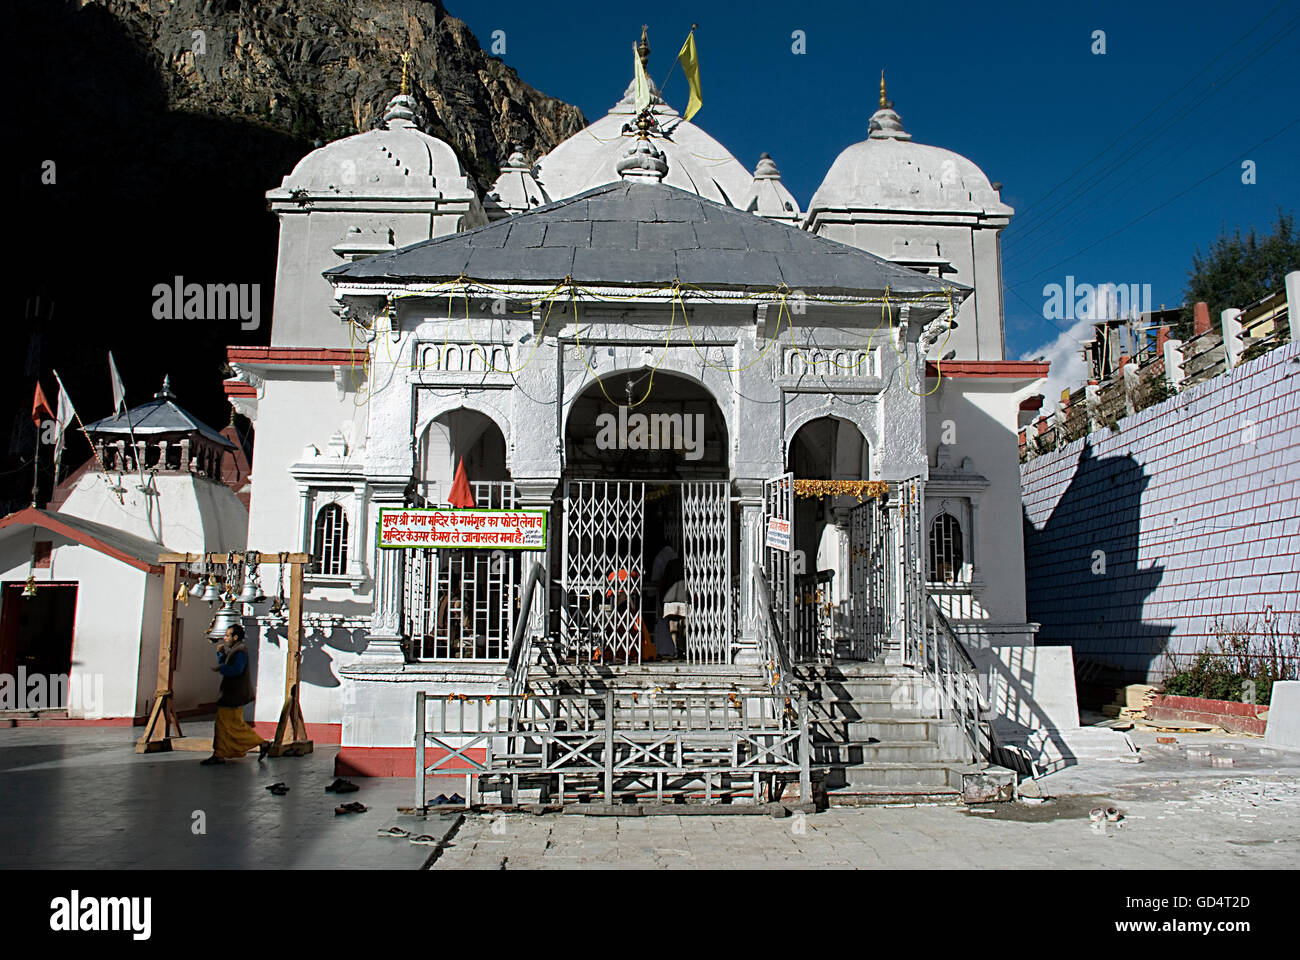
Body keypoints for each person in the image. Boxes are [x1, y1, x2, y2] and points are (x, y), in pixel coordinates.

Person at [200, 624, 270, 765]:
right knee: (227, 726)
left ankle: (262, 743)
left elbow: (236, 670)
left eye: (227, 636)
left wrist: (221, 668)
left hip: (233, 695)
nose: (224, 638)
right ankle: (220, 753)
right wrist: (221, 655)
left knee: (232, 727)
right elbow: (229, 664)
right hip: (231, 694)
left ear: (235, 637)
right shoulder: (235, 650)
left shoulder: (240, 651)